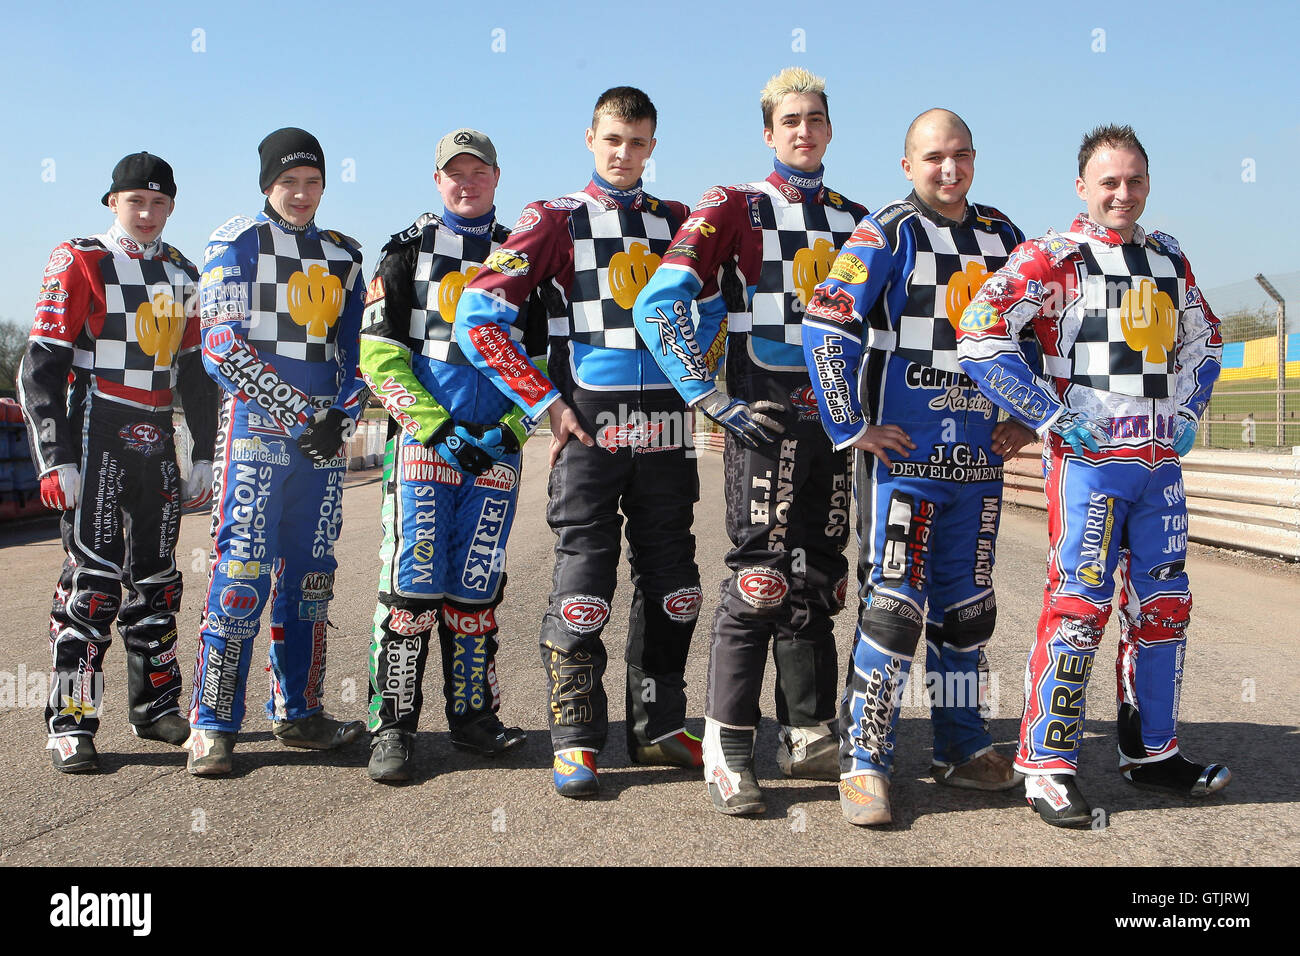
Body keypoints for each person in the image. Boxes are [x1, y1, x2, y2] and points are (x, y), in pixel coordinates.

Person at [956, 124, 1229, 828]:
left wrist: (1192, 408)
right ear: (1082, 186)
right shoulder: (1051, 256)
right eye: (1109, 181)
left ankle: (1154, 753)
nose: (1123, 192)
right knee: (1078, 609)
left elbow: (1207, 339)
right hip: (1090, 468)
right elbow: (980, 336)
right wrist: (1047, 416)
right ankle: (1046, 767)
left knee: (1165, 608)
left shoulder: (1169, 256)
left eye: (1135, 180)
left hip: (1160, 468)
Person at [633, 67, 868, 815]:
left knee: (822, 579)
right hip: (761, 416)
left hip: (831, 421)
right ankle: (730, 747)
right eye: (789, 121)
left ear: (830, 130)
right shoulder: (731, 205)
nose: (804, 132)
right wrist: (707, 396)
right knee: (760, 579)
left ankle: (807, 733)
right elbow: (658, 300)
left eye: (816, 120)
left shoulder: (862, 220)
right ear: (769, 133)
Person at [456, 87, 703, 798]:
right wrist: (543, 401)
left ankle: (658, 726)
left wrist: (700, 384)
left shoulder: (680, 222)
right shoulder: (554, 217)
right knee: (583, 586)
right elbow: (478, 315)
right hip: (589, 421)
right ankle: (575, 738)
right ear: (590, 140)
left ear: (653, 147)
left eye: (638, 142)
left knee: (675, 585)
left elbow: (716, 309)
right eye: (612, 141)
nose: (625, 154)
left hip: (667, 424)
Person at [801, 110, 1033, 825]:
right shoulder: (886, 230)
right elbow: (825, 322)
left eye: (961, 154)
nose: (950, 169)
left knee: (968, 616)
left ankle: (961, 750)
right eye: (934, 157)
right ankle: (863, 763)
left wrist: (1027, 413)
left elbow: (1047, 331)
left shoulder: (1006, 236)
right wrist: (851, 425)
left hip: (979, 466)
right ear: (909, 165)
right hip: (906, 462)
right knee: (896, 609)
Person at [17, 151, 218, 772]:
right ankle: (71, 723)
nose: (149, 213)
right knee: (93, 584)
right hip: (93, 428)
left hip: (156, 432)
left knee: (158, 584)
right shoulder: (79, 259)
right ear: (113, 203)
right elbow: (39, 367)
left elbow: (195, 375)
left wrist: (205, 452)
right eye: (137, 201)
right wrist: (55, 457)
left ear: (173, 207)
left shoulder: (184, 271)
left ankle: (156, 708)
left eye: (160, 203)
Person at [359, 129, 545, 783]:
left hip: (496, 449)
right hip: (424, 446)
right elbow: (379, 356)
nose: (466, 182)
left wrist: (516, 429)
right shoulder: (405, 250)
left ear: (497, 176)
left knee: (475, 592)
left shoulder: (523, 256)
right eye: (454, 173)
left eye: (478, 171)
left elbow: (543, 360)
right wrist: (437, 430)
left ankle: (473, 720)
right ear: (437, 181)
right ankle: (394, 728)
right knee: (411, 589)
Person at [187, 128, 367, 776]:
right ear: (268, 184)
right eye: (288, 182)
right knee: (240, 582)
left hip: (320, 452)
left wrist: (342, 415)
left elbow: (358, 356)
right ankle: (211, 724)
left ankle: (299, 713)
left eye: (312, 181)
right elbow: (221, 347)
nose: (300, 193)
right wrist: (301, 415)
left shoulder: (345, 256)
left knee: (312, 585)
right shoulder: (235, 242)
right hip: (257, 441)